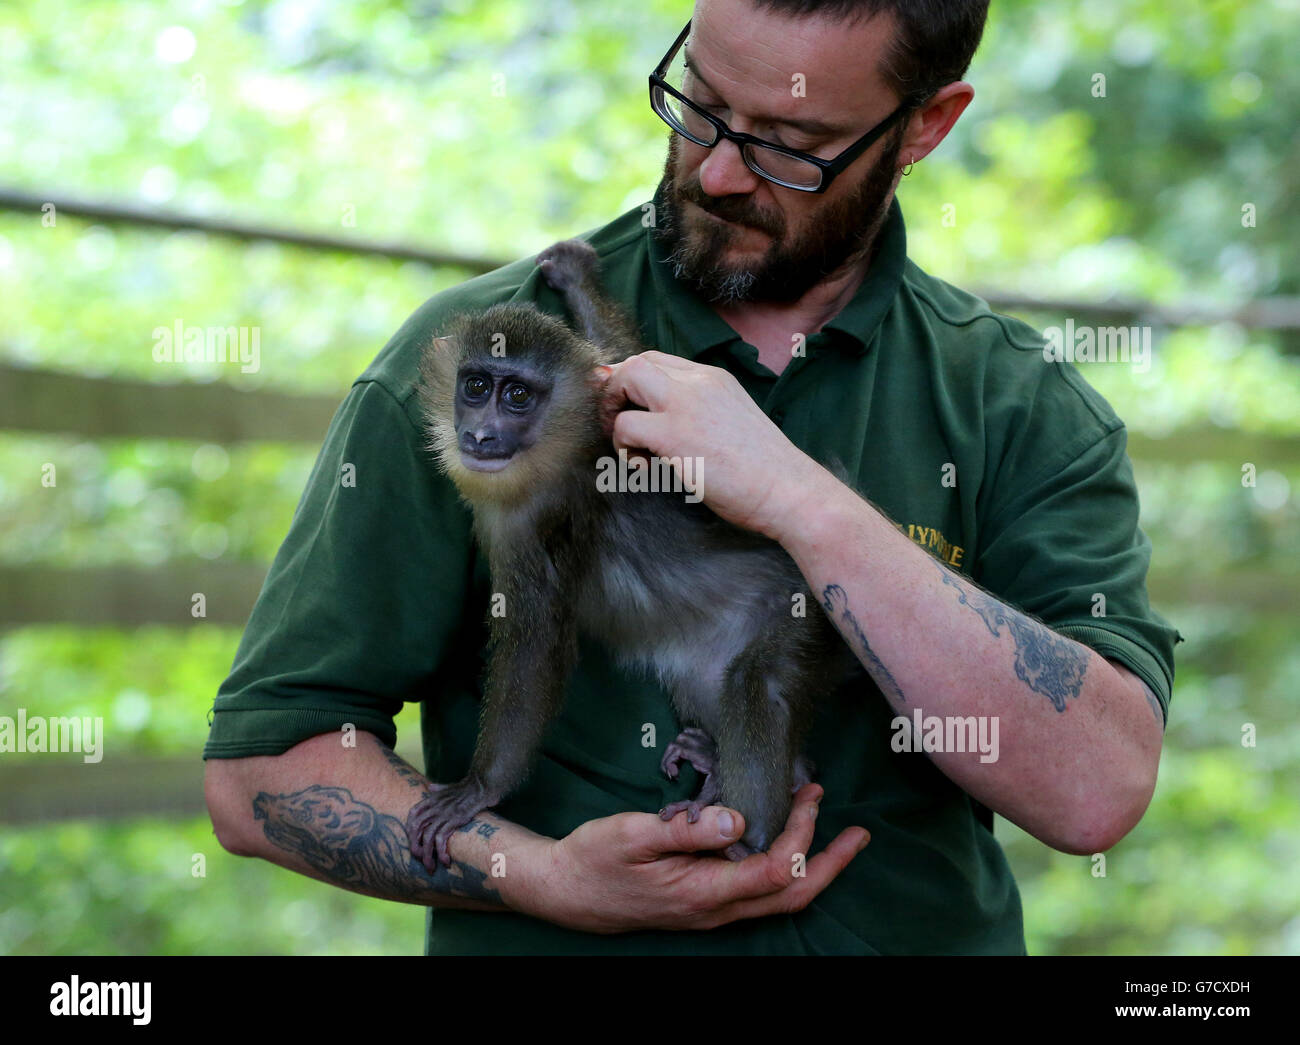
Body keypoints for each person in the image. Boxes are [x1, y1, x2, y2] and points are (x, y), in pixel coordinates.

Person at [203, 0, 1180, 955]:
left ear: (924, 125)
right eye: (699, 104)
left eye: (790, 142)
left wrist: (799, 498)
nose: (714, 172)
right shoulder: (480, 363)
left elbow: (1093, 789)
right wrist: (540, 874)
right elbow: (258, 771)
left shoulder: (1019, 406)